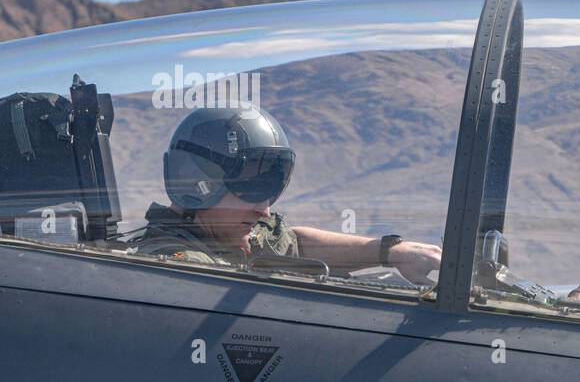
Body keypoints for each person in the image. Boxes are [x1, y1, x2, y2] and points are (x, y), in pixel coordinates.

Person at [130, 106, 442, 283]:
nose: (264, 211)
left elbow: (295, 243)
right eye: (251, 190)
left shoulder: (234, 233)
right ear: (199, 183)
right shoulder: (172, 264)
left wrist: (391, 252)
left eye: (270, 192)